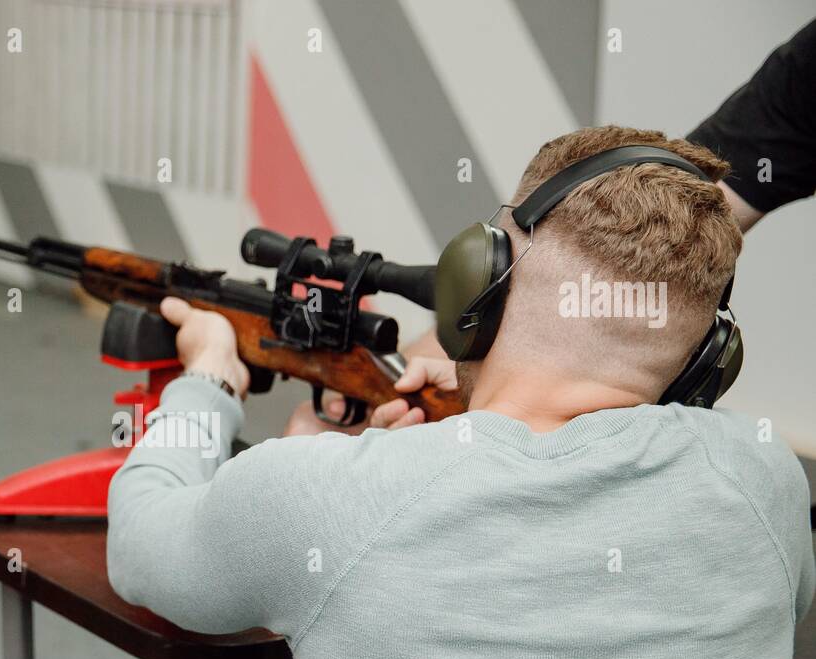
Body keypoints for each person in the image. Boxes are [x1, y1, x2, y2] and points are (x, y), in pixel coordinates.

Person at [104, 124, 814, 659]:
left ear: (477, 288)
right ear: (708, 359)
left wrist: (207, 381)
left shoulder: (326, 495)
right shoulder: (765, 478)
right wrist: (478, 410)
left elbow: (142, 545)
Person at [303, 18, 815, 436]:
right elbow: (674, 228)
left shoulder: (283, 484)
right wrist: (468, 379)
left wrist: (217, 376)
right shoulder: (764, 480)